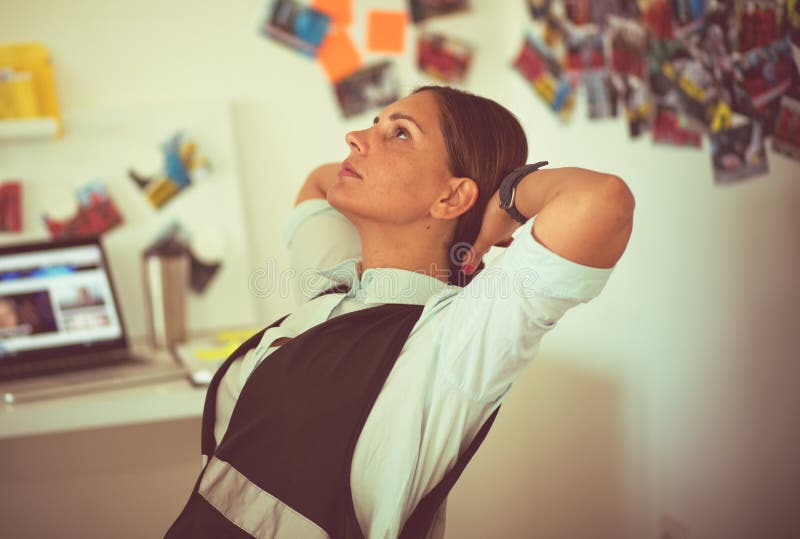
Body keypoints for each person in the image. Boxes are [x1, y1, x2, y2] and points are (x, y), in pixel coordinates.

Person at [165, 85, 634, 539]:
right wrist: (389, 155)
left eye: (401, 133)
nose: (354, 137)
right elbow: (318, 182)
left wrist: (506, 201)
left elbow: (601, 201)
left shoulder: (452, 341)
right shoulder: (334, 281)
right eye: (375, 124)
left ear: (451, 197)